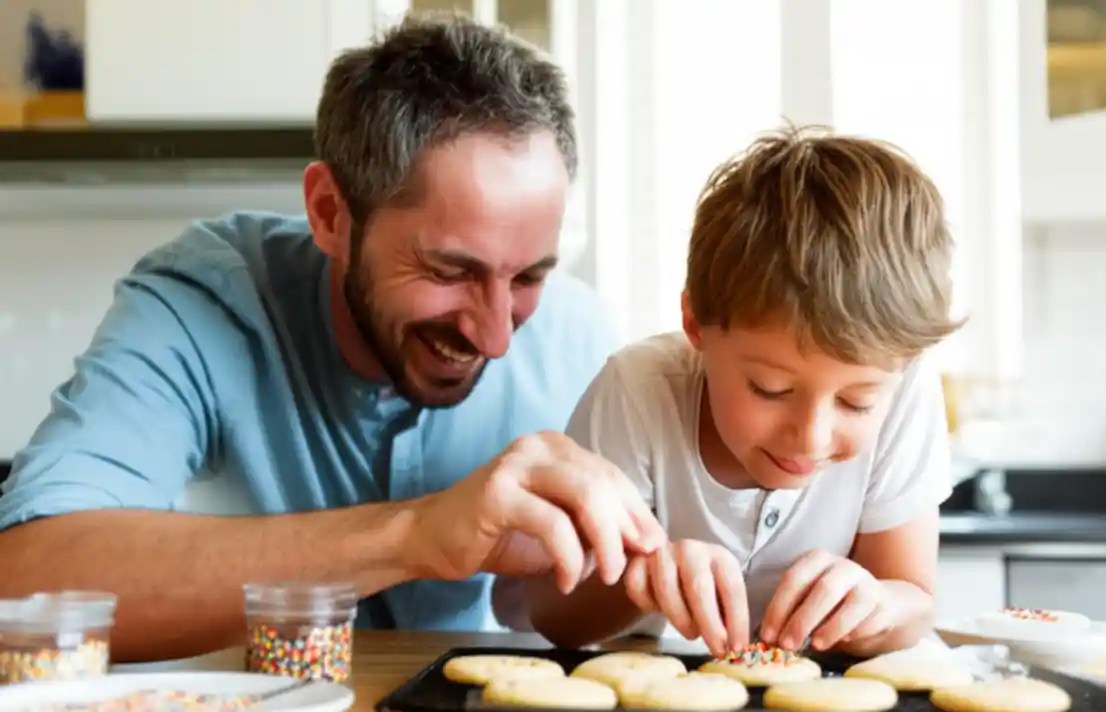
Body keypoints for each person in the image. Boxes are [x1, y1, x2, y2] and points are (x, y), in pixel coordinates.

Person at [0, 13, 664, 662]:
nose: (494, 337)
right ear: (328, 212)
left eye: (527, 276)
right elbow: (23, 579)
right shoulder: (205, 305)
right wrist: (414, 533)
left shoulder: (579, 336)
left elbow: (576, 615)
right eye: (449, 270)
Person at [513, 127, 962, 658]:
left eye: (855, 402)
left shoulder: (907, 394)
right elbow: (553, 616)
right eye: (769, 388)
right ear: (696, 324)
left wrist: (881, 606)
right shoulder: (637, 393)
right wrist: (642, 580)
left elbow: (912, 597)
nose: (810, 438)